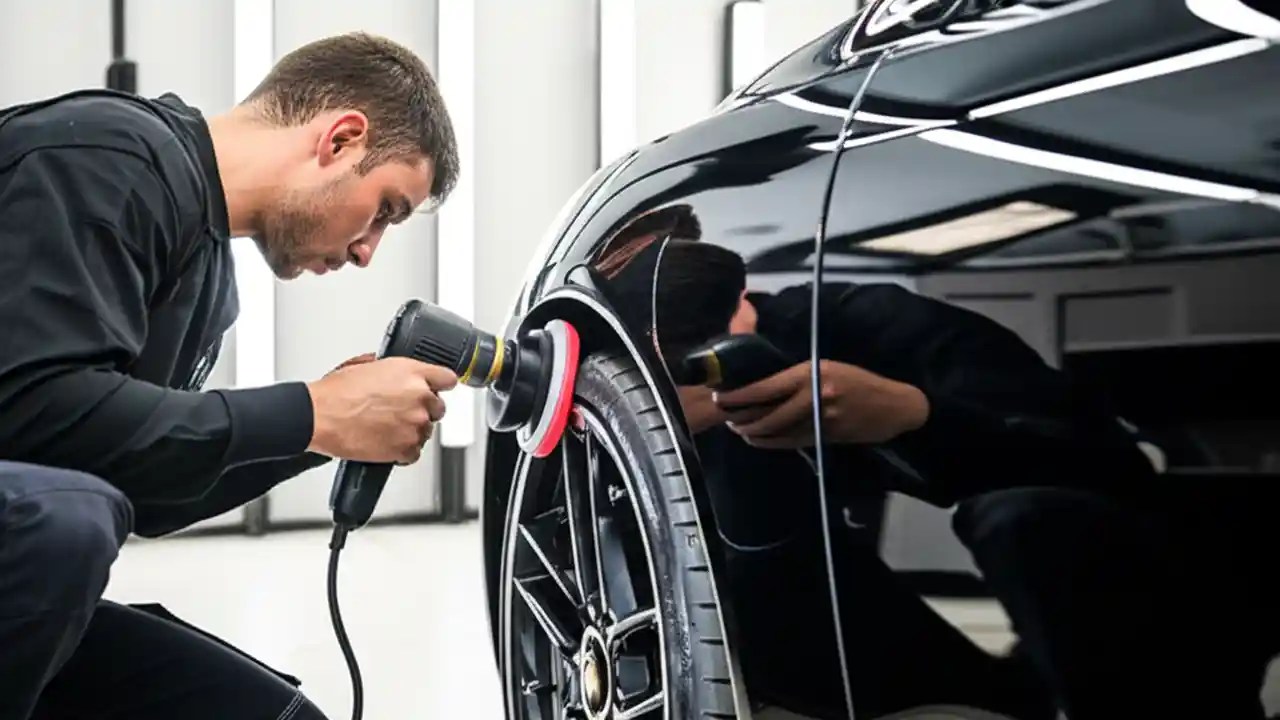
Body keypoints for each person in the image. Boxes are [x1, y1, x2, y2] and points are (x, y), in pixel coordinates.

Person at [0, 32, 459, 720]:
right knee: (65, 522)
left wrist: (327, 434)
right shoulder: (105, 156)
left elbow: (138, 491)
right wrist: (311, 411)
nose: (368, 251)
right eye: (385, 209)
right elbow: (32, 411)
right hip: (33, 539)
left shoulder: (208, 279)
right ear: (341, 139)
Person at [593, 224, 1165, 719]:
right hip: (806, 662)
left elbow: (1101, 464)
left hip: (1075, 628)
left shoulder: (878, 325)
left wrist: (911, 416)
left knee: (1020, 519)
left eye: (673, 395)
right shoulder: (648, 441)